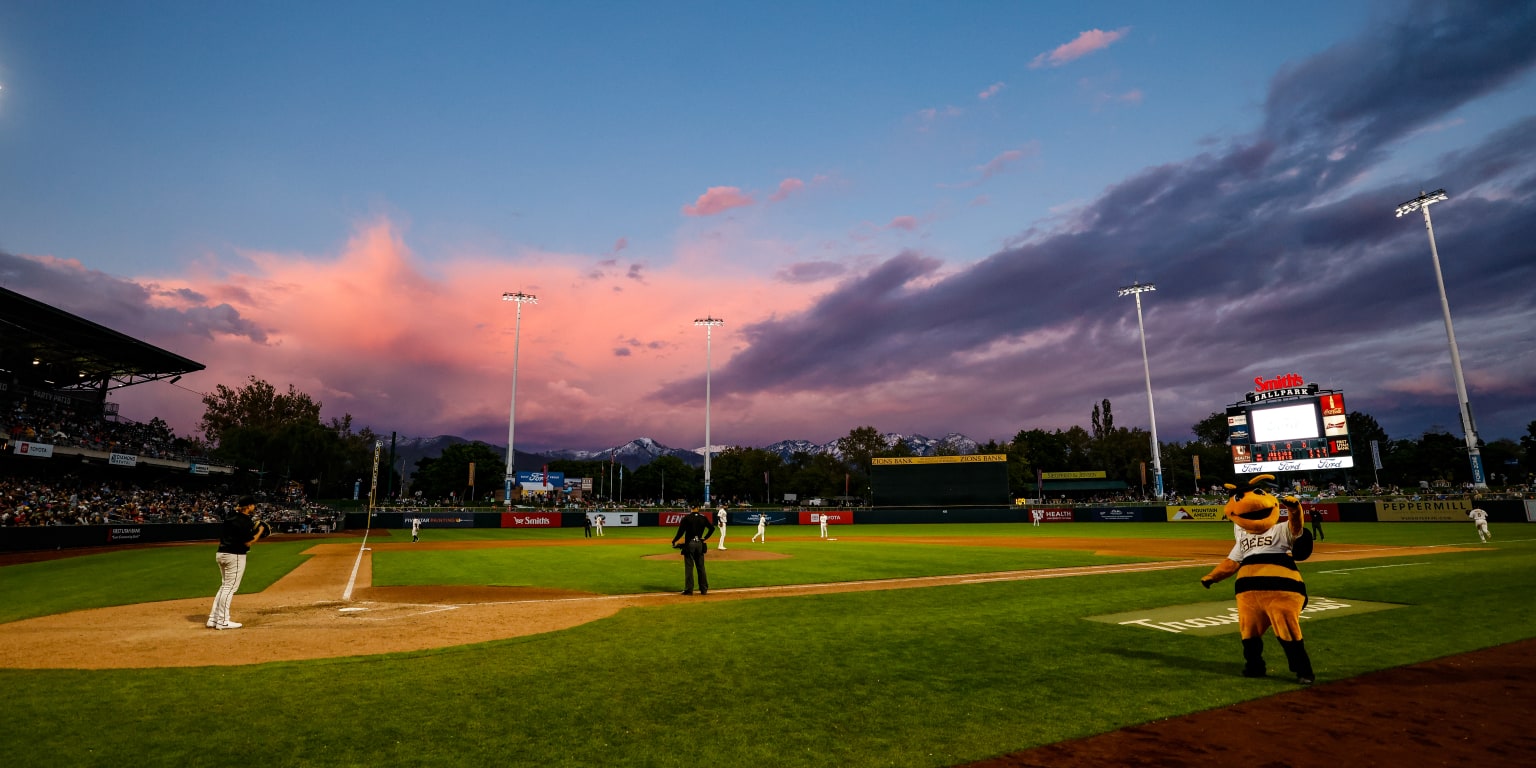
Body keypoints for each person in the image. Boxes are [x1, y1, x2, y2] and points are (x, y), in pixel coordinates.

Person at [207, 496, 269, 630]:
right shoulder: (245, 521)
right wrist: (260, 532)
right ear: (247, 506)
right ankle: (223, 621)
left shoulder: (231, 516)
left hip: (221, 553)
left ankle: (213, 619)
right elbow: (248, 542)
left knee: (225, 586)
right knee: (230, 588)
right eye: (252, 505)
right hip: (234, 555)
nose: (254, 507)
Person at [670, 507, 717, 595]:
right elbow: (712, 528)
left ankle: (689, 589)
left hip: (690, 544)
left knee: (689, 567)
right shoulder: (703, 517)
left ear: (690, 508)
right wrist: (705, 538)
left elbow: (680, 532)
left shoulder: (686, 518)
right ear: (698, 508)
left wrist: (674, 540)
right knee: (701, 567)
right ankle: (704, 589)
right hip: (699, 543)